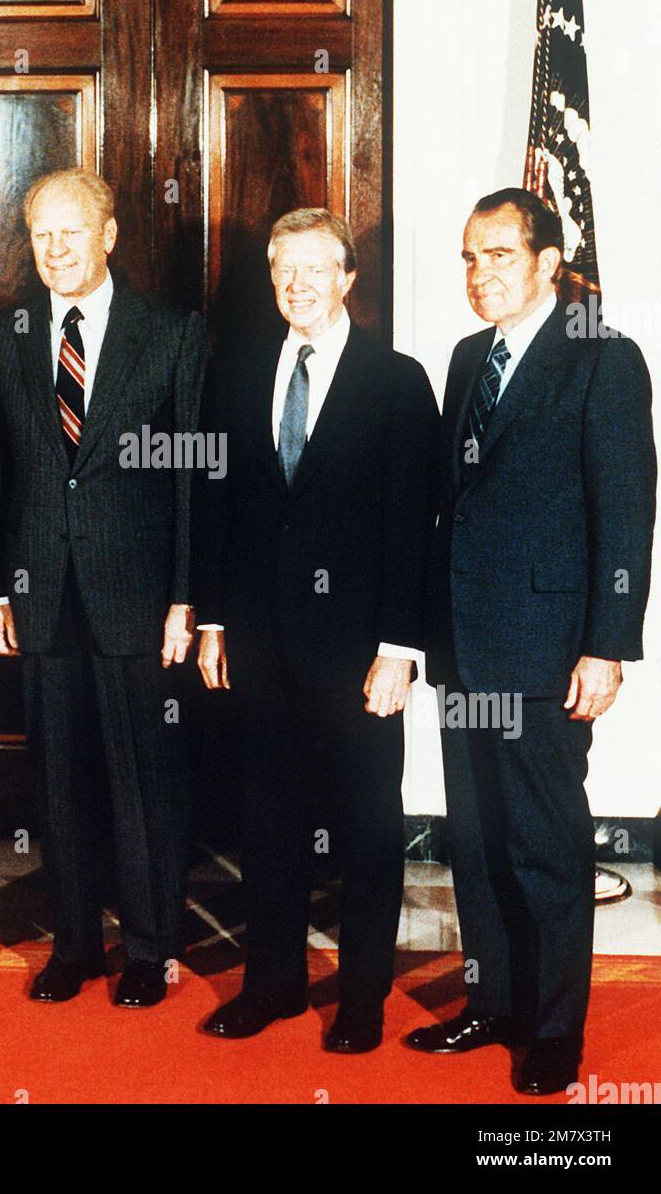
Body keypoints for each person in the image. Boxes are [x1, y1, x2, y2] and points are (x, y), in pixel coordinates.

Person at [405, 188, 656, 1095]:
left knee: (546, 845)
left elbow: (625, 513)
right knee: (475, 839)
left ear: (549, 262)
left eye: (500, 255)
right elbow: (455, 508)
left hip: (547, 649)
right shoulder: (467, 357)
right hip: (464, 644)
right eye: (470, 258)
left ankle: (553, 1032)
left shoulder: (604, 357)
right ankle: (494, 1003)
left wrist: (607, 646)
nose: (481, 274)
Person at [193, 208, 439, 1051]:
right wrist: (214, 620)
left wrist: (400, 650)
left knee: (368, 828)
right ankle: (273, 985)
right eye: (283, 270)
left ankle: (363, 998)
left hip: (361, 653)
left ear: (347, 278)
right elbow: (217, 507)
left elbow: (414, 526)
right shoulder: (237, 372)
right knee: (268, 824)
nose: (297, 285)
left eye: (314, 268)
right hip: (262, 645)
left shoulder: (396, 381)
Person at [0, 168, 209, 1007]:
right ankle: (73, 945)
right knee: (59, 781)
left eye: (71, 232)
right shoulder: (4, 337)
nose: (55, 249)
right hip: (41, 594)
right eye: (42, 234)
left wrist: (186, 597)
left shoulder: (172, 333)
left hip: (138, 598)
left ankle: (149, 949)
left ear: (108, 236)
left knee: (144, 778)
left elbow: (193, 476)